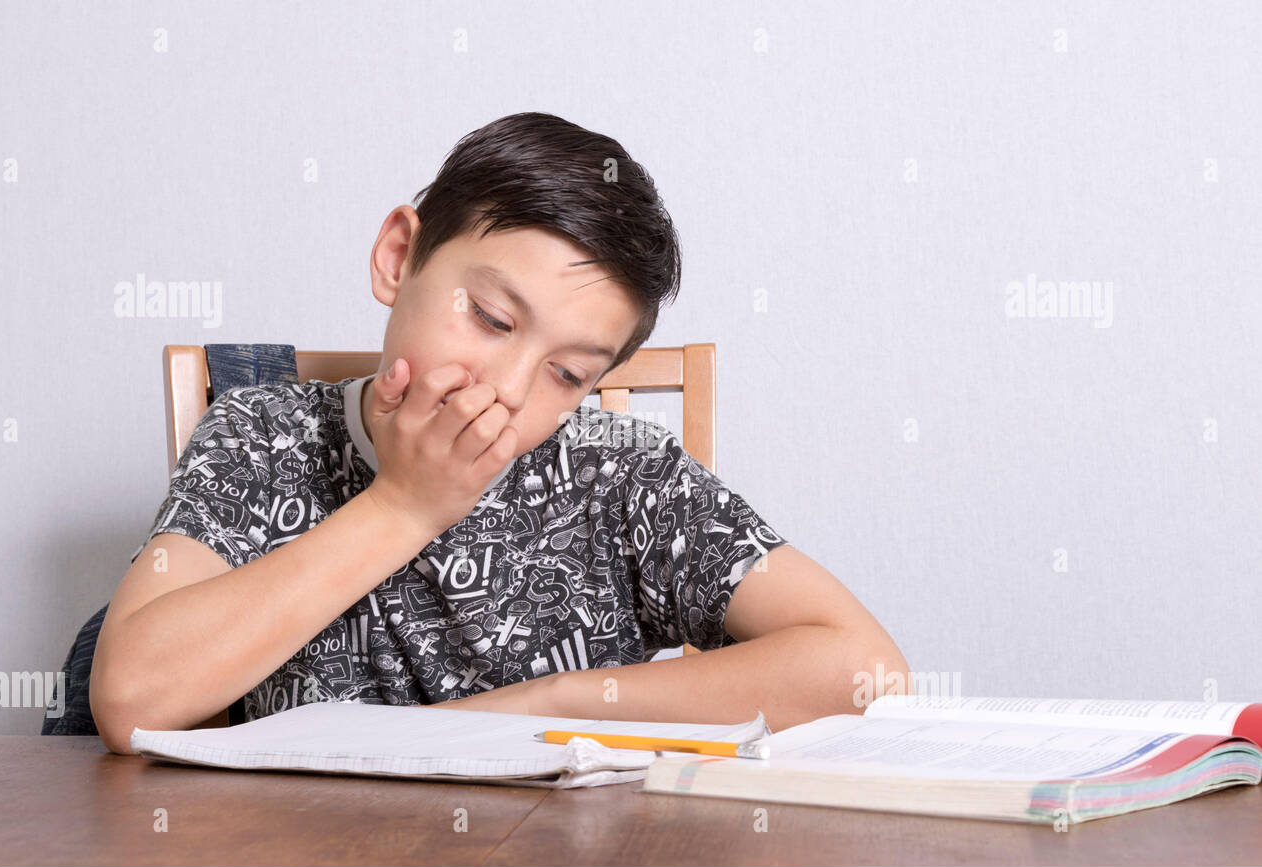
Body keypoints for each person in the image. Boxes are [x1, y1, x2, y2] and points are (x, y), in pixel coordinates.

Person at [91, 111, 909, 755]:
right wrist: (404, 507)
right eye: (488, 318)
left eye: (568, 373)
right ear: (398, 256)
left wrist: (537, 708)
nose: (509, 389)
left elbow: (866, 670)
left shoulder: (619, 474)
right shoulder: (260, 435)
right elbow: (133, 702)